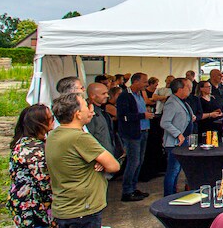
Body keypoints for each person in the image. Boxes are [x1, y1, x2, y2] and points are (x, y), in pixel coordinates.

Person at [45, 92, 120, 228]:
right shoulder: (79, 138)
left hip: (64, 207)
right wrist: (101, 162)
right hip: (83, 209)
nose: (90, 110)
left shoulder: (54, 135)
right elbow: (114, 165)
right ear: (78, 114)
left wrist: (99, 162)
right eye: (86, 107)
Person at [8, 104, 56, 228]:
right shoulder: (33, 149)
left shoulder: (26, 143)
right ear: (40, 123)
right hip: (32, 209)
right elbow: (44, 183)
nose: (53, 120)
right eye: (50, 118)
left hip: (28, 206)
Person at [115, 72, 153, 202]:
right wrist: (143, 116)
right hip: (132, 134)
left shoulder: (139, 95)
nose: (146, 84)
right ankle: (127, 190)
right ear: (136, 82)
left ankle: (133, 187)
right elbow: (124, 116)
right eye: (144, 81)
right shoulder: (125, 96)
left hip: (143, 131)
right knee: (133, 162)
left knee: (139, 161)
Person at [161, 78, 197, 195]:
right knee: (173, 170)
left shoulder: (183, 101)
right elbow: (165, 122)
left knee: (177, 171)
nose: (190, 90)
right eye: (188, 87)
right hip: (175, 142)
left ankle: (173, 193)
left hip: (184, 141)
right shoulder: (172, 102)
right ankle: (168, 195)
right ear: (180, 89)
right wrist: (178, 134)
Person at [84, 83, 117, 159]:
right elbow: (88, 137)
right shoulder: (90, 114)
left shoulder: (102, 110)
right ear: (92, 95)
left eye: (107, 93)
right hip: (99, 158)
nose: (107, 96)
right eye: (103, 94)